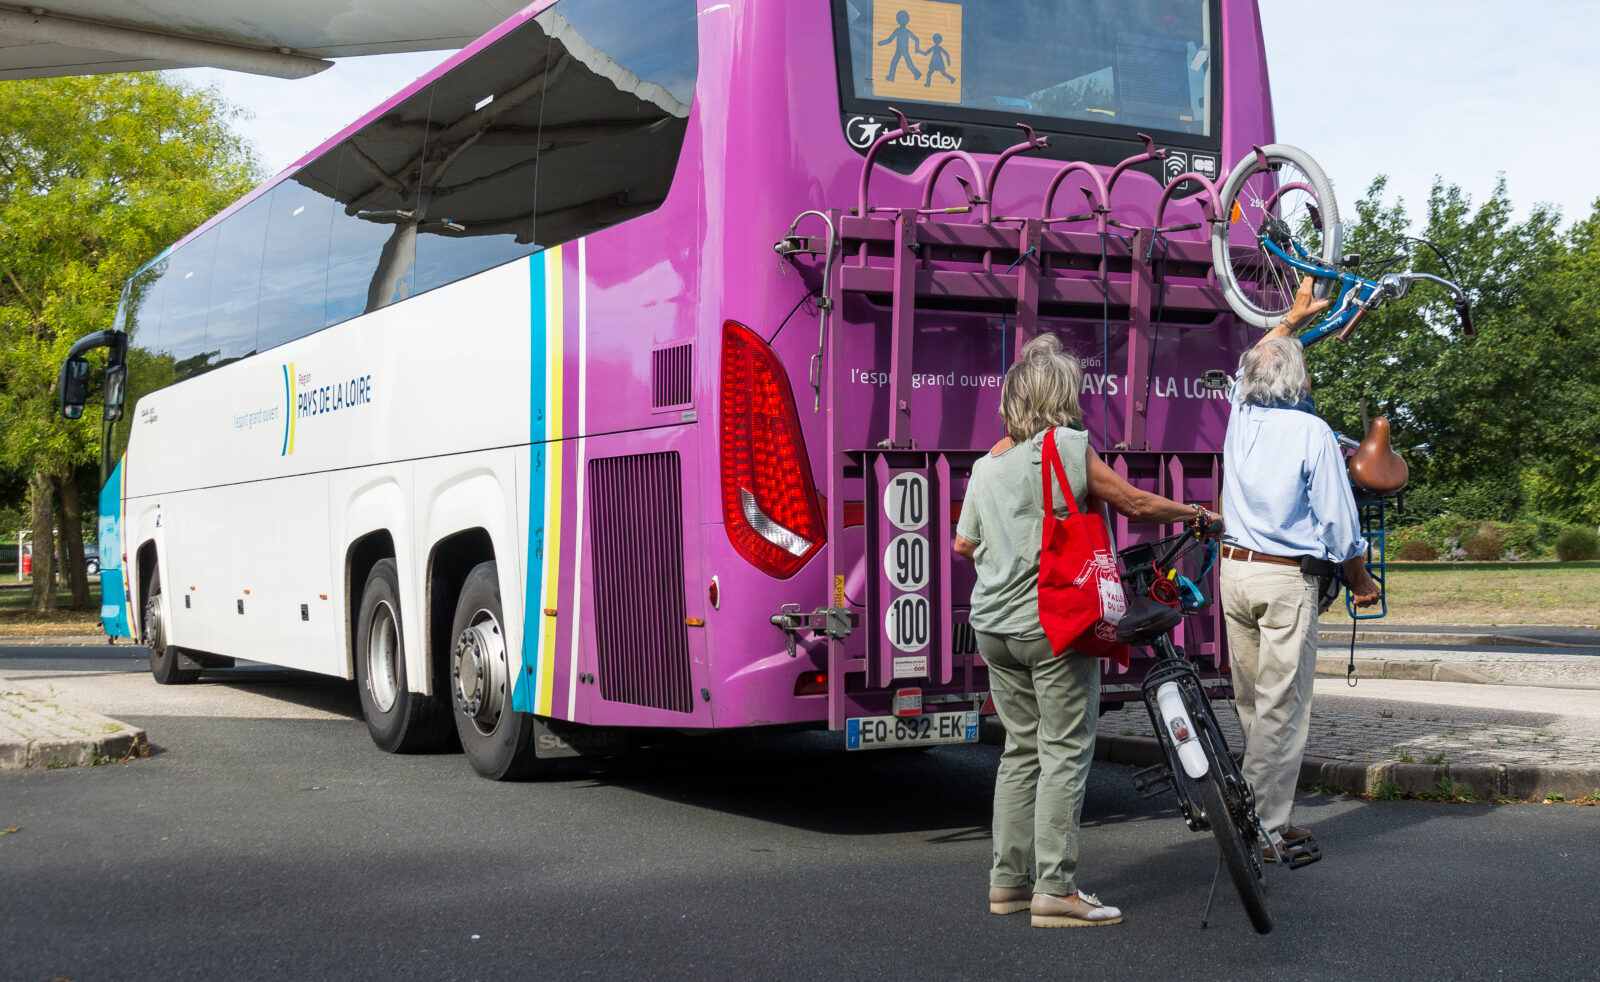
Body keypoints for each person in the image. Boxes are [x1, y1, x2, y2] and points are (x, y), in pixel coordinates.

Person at [954, 333, 1222, 929]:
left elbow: (962, 543)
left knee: (1019, 752)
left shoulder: (986, 464)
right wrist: (1196, 515)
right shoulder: (1066, 446)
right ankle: (1055, 889)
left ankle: (1007, 883)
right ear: (1061, 397)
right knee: (1066, 750)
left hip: (993, 626)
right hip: (1051, 625)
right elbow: (1132, 504)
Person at [1219, 277, 1381, 860]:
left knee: (1252, 701)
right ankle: (1261, 826)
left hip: (1232, 573)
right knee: (1281, 706)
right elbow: (1338, 522)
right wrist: (1360, 576)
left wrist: (1290, 320)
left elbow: (1249, 365)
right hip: (1285, 578)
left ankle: (1259, 806)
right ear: (1297, 382)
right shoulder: (1311, 432)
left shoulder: (1238, 415)